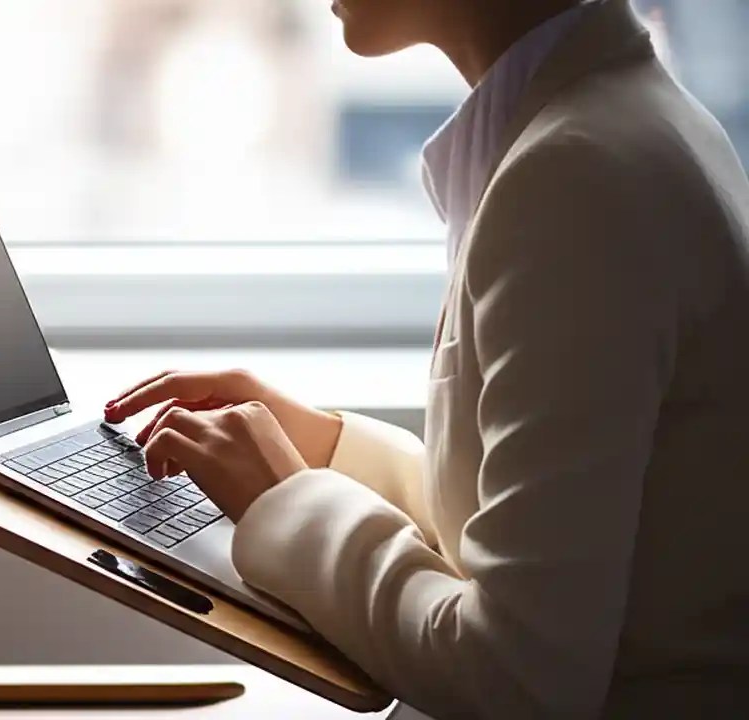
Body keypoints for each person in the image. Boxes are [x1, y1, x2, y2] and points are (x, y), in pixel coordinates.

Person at [103, 0, 749, 717]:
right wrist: (325, 452)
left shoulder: (576, 177)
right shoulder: (631, 121)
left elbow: (517, 679)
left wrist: (286, 502)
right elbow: (554, 531)